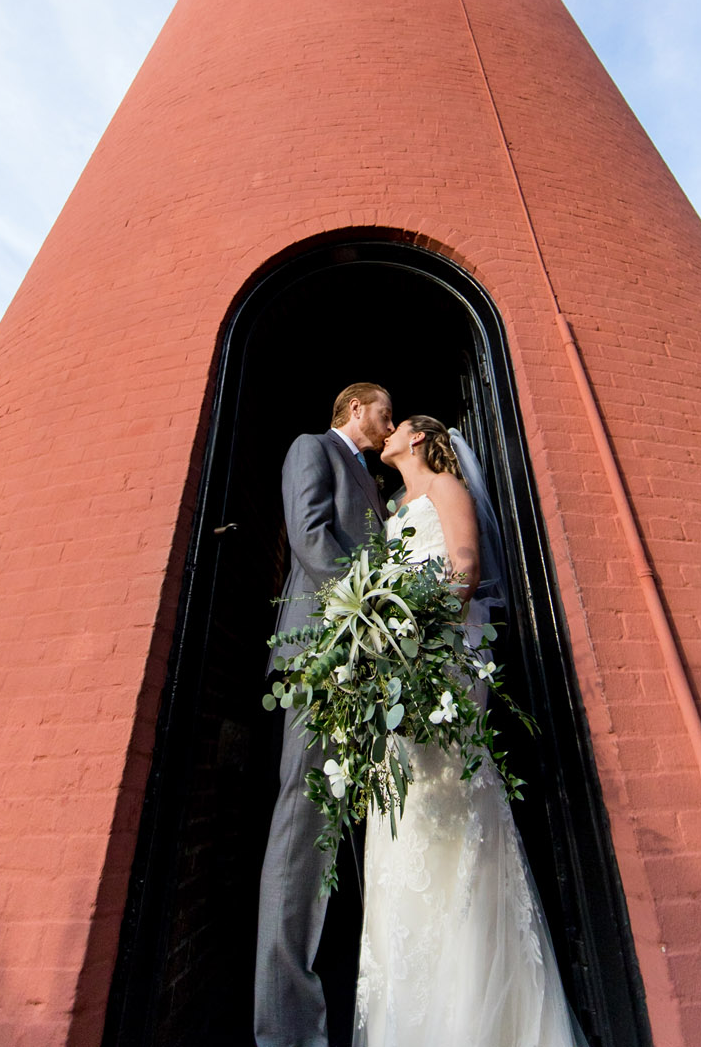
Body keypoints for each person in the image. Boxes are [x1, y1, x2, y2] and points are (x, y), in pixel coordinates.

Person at [353, 415, 587, 1047]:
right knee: (402, 809)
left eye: (398, 426)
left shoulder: (444, 491)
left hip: (438, 663)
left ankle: (479, 1007)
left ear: (421, 439)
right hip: (394, 671)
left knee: (453, 802)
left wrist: (412, 634)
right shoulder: (396, 505)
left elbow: (464, 572)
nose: (390, 434)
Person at [256, 382, 395, 1047]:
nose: (389, 423)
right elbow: (311, 536)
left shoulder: (373, 485)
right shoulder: (311, 449)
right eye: (385, 411)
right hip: (321, 654)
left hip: (371, 667)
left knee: (375, 825)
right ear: (355, 407)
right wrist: (377, 617)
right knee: (303, 826)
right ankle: (285, 1029)